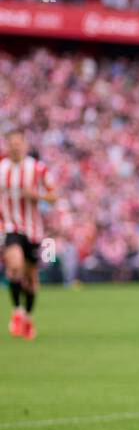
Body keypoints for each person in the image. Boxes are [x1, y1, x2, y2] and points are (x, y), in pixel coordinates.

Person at [1, 131, 56, 340]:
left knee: (31, 279)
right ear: (7, 146)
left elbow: (54, 196)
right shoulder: (2, 169)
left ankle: (27, 317)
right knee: (14, 266)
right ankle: (17, 312)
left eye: (18, 144)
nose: (15, 147)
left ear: (24, 146)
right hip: (9, 226)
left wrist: (37, 196)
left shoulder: (37, 169)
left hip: (33, 230)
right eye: (11, 144)